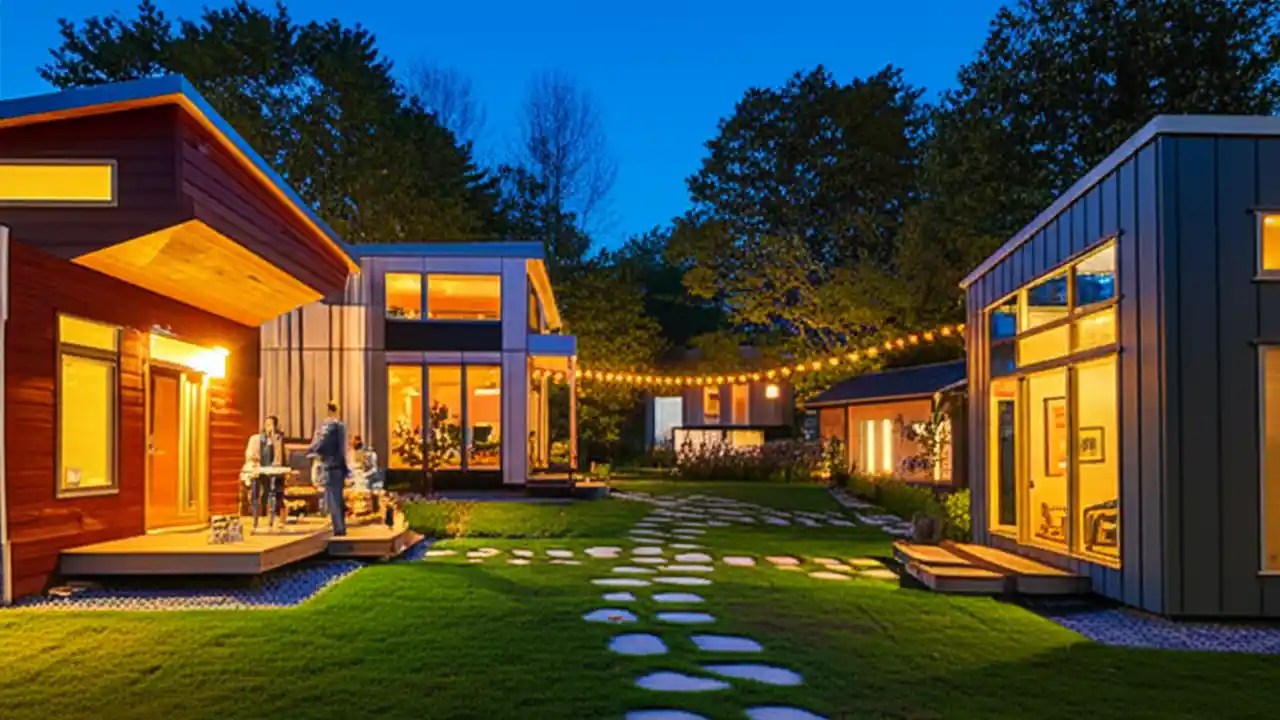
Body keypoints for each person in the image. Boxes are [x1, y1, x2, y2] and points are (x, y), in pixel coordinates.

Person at [307, 401, 350, 536]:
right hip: (340, 466)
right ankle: (339, 527)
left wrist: (312, 449)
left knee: (333, 499)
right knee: (337, 498)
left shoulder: (329, 427)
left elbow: (321, 445)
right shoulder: (341, 426)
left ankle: (338, 529)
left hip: (330, 466)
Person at [241, 415, 285, 533]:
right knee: (255, 494)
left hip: (270, 471)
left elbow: (278, 459)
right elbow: (250, 454)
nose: (268, 426)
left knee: (272, 492)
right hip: (257, 470)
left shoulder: (277, 440)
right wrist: (255, 460)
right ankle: (255, 521)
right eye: (267, 424)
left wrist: (273, 439)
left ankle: (271, 521)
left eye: (271, 424)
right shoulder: (255, 439)